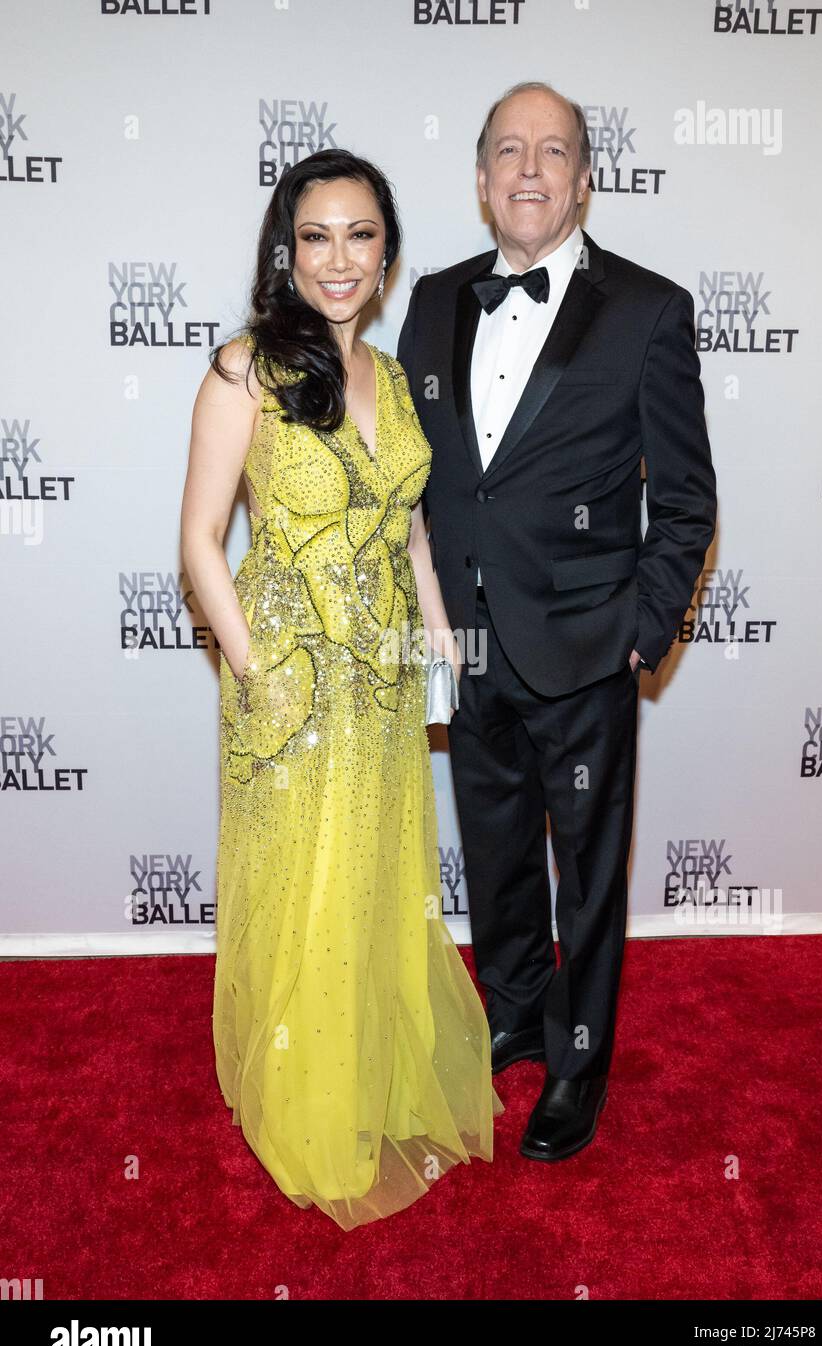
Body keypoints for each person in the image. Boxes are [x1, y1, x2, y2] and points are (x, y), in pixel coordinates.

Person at [180, 148, 503, 1231]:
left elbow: (408, 525)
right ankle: (311, 1109)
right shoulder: (242, 372)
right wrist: (256, 675)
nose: (337, 258)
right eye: (314, 235)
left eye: (359, 235)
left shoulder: (399, 379)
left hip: (378, 685)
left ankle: (371, 1079)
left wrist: (446, 656)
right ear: (286, 250)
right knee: (305, 891)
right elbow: (197, 542)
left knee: (373, 882)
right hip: (290, 683)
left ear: (387, 253)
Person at [397, 82, 716, 1163]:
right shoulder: (434, 300)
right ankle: (514, 1018)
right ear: (481, 179)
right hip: (464, 645)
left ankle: (576, 1069)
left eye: (552, 153)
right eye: (506, 152)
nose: (527, 170)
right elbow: (419, 481)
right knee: (491, 857)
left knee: (584, 875)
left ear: (585, 179)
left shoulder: (646, 309)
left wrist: (641, 629)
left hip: (584, 648)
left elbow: (683, 499)